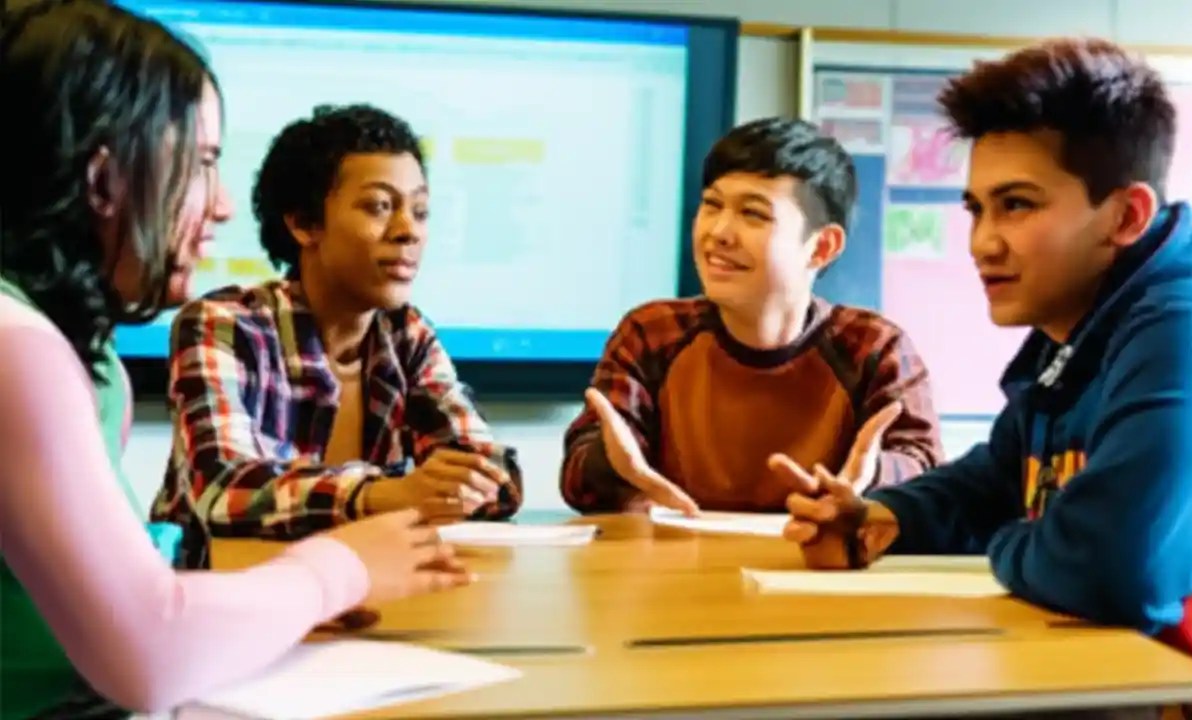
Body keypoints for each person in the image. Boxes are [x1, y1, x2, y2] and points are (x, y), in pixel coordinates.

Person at [778, 38, 1192, 719]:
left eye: (1016, 205)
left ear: (1126, 215)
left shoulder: (1190, 332)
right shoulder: (1077, 330)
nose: (983, 241)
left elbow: (1118, 568)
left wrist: (1011, 540)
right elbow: (999, 476)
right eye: (975, 209)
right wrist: (881, 516)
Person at [0, 2, 471, 716]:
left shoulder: (73, 355)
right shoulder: (17, 349)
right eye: (201, 164)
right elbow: (149, 652)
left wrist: (273, 602)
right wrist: (339, 569)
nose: (219, 206)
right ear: (102, 182)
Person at [152, 103, 522, 569]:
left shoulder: (406, 335)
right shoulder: (223, 324)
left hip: (359, 595)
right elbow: (226, 492)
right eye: (379, 207)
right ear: (304, 224)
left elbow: (497, 478)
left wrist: (465, 482)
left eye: (421, 211)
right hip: (220, 599)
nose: (409, 232)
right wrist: (383, 493)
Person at [560, 117, 945, 517]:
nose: (720, 232)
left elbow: (928, 471)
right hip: (681, 568)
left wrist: (871, 476)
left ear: (821, 247)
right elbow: (578, 478)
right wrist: (611, 466)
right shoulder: (652, 334)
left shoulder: (873, 347)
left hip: (813, 568)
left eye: (754, 214)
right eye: (712, 205)